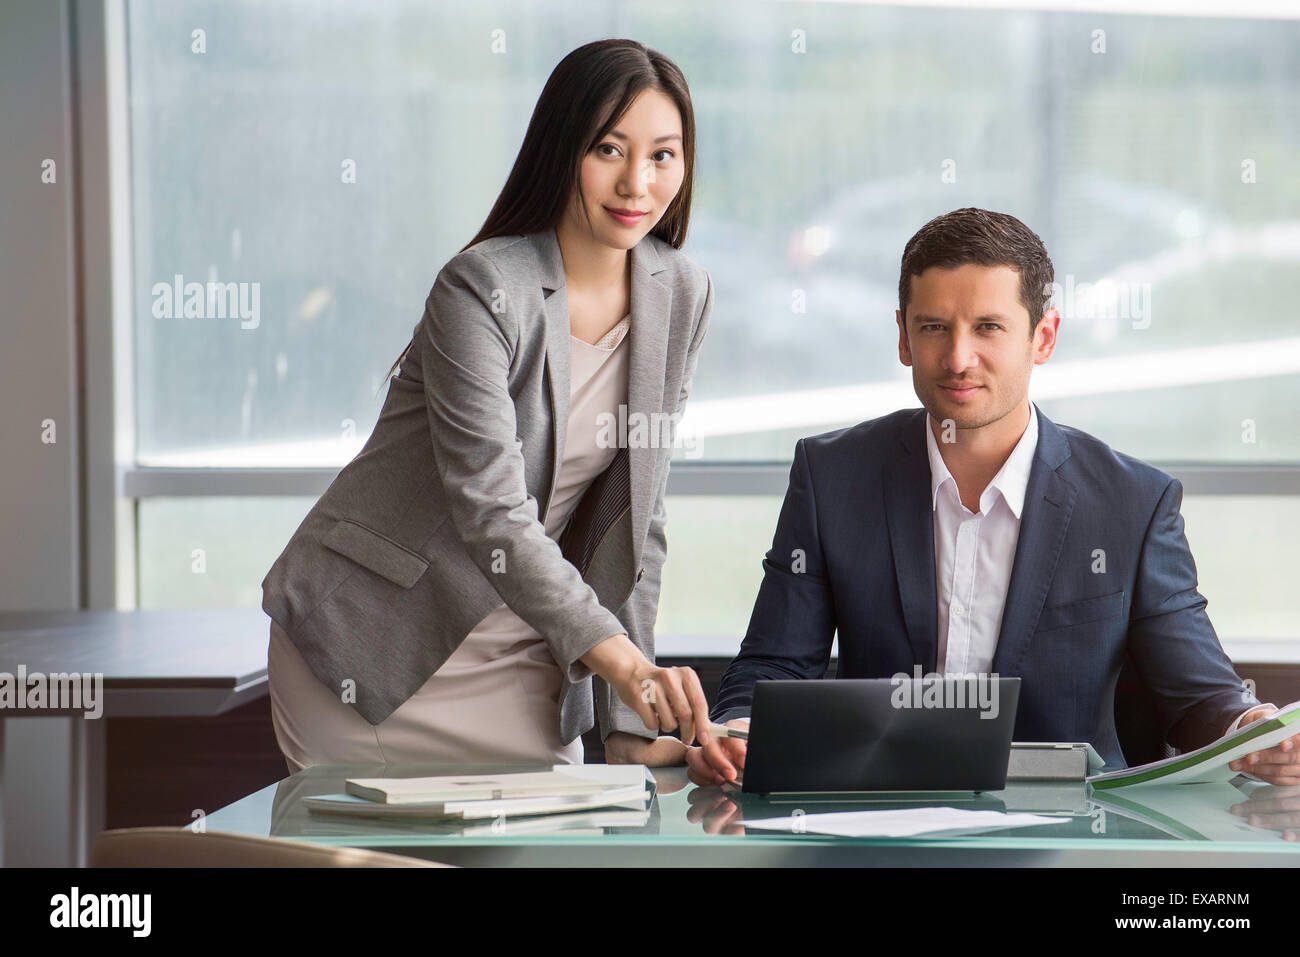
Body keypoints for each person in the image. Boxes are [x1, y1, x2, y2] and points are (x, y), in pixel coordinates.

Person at [688, 207, 1299, 788]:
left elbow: (1198, 696)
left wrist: (1252, 734)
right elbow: (773, 666)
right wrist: (738, 732)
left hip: (1070, 834)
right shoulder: (832, 476)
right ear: (903, 337)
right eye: (934, 328)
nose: (958, 358)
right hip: (874, 817)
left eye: (988, 328)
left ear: (1044, 337)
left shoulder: (1132, 502)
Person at [261, 38, 714, 775]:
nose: (638, 181)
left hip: (530, 659)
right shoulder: (481, 287)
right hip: (375, 646)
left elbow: (639, 519)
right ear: (562, 147)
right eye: (609, 148)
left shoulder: (680, 292)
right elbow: (490, 508)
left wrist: (628, 719)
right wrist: (625, 664)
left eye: (664, 155)